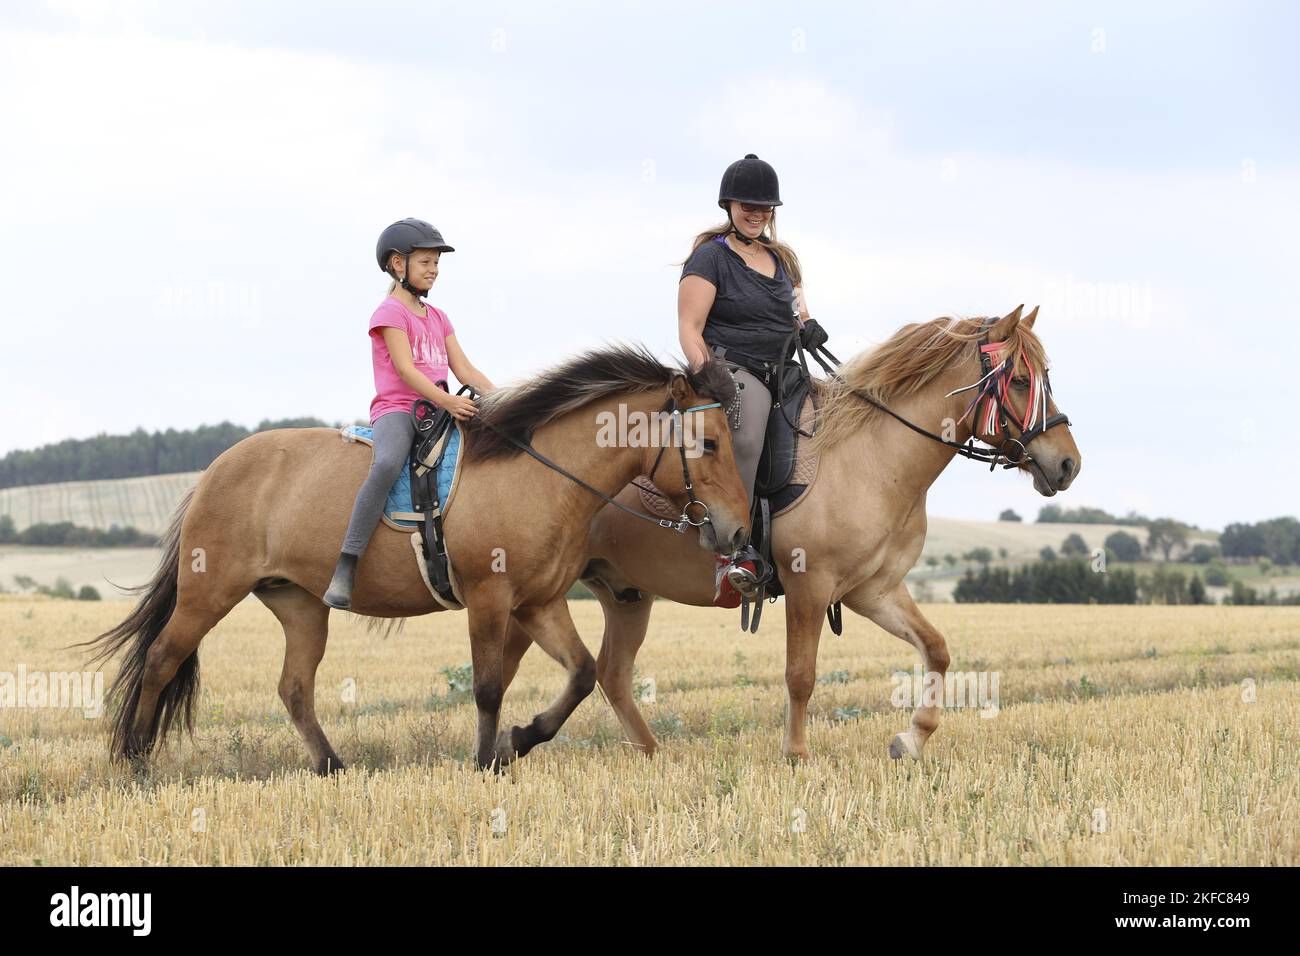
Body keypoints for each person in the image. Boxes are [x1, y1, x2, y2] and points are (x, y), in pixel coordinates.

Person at [323, 218, 497, 609]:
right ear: (397, 265)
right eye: (425, 262)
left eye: (436, 262)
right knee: (386, 465)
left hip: (440, 411)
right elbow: (405, 370)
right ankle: (347, 563)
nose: (434, 269)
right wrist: (449, 402)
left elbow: (465, 371)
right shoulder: (388, 314)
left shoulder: (439, 318)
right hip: (399, 410)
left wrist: (503, 401)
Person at [677, 154, 812, 608]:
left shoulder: (784, 260)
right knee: (749, 430)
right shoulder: (710, 258)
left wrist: (808, 327)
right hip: (733, 370)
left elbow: (800, 312)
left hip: (785, 368)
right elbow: (690, 329)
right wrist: (708, 376)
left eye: (764, 207)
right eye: (747, 206)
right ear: (729, 206)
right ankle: (732, 553)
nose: (756, 214)